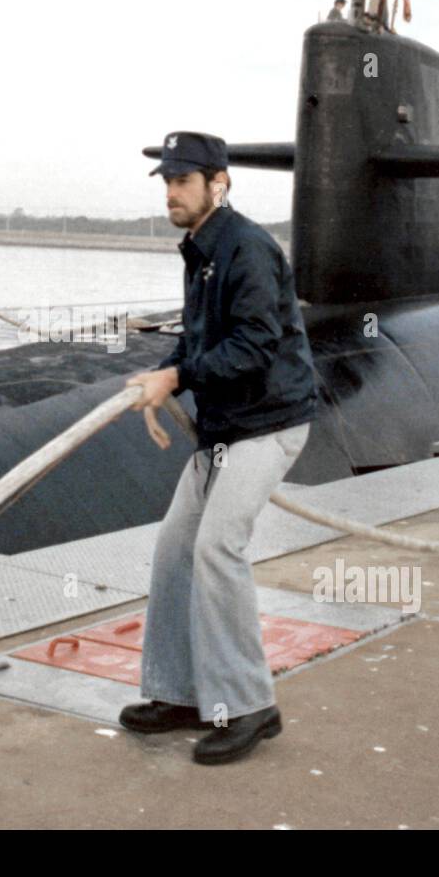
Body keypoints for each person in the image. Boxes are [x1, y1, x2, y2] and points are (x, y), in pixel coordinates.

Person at [120, 131, 317, 766]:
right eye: (167, 182)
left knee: (218, 549)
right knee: (176, 550)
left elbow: (256, 345)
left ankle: (251, 705)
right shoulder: (201, 250)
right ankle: (179, 693)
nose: (172, 193)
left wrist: (178, 378)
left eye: (183, 180)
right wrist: (163, 374)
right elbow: (200, 341)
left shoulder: (248, 248)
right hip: (225, 429)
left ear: (218, 183)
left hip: (269, 421)